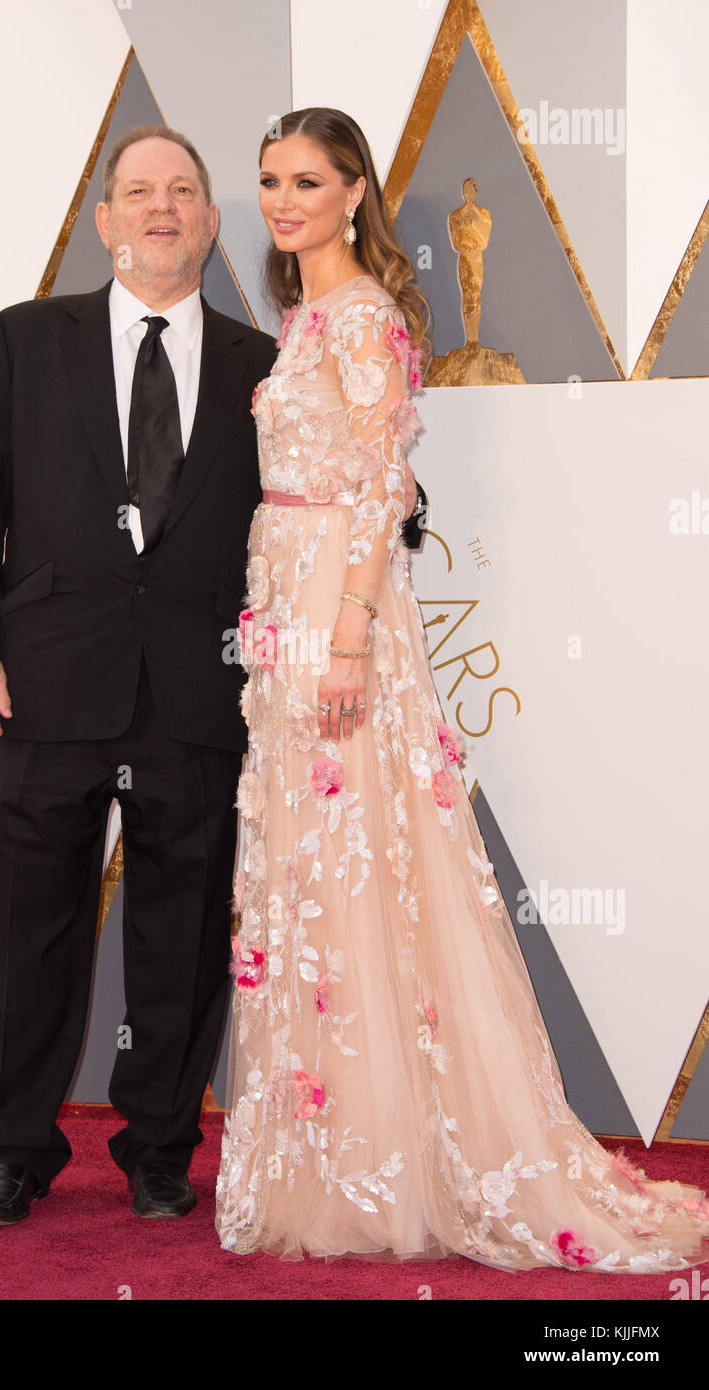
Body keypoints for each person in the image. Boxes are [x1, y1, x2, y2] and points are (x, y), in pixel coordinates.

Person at [215, 107, 709, 1273]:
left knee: (360, 866)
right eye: (269, 182)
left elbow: (378, 490)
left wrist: (340, 642)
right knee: (307, 876)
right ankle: (334, 1150)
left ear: (351, 196)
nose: (282, 202)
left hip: (337, 620)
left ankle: (395, 1158)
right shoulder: (300, 319)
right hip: (284, 614)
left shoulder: (366, 320)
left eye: (305, 182)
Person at [0, 123, 421, 1228]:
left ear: (210, 225)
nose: (162, 207)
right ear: (102, 220)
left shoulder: (272, 360)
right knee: (29, 924)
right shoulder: (20, 341)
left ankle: (158, 1146)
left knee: (185, 930)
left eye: (185, 191)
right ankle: (11, 1150)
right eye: (137, 191)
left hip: (203, 688)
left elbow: (341, 499)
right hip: (46, 682)